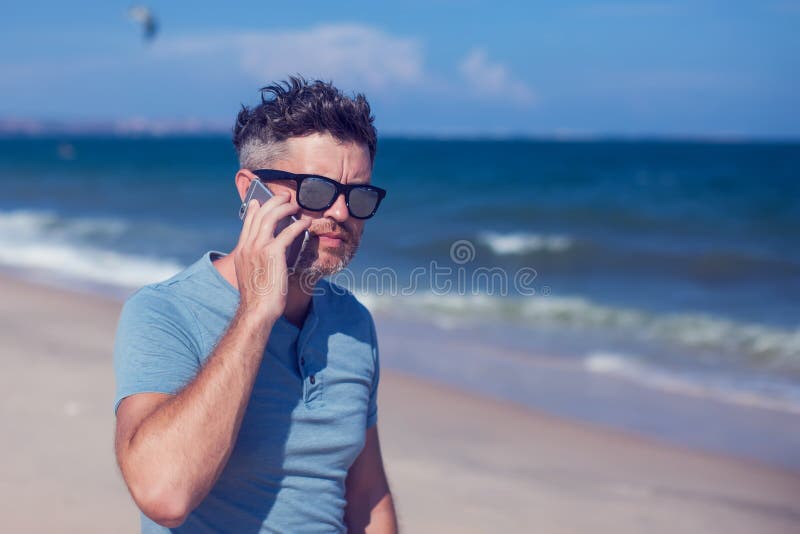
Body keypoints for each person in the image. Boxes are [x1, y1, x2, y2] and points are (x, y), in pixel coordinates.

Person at [112, 75, 398, 533]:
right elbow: (163, 494)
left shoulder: (353, 323)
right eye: (317, 190)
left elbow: (366, 497)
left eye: (358, 195)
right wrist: (256, 312)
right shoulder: (166, 312)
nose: (341, 213)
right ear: (251, 191)